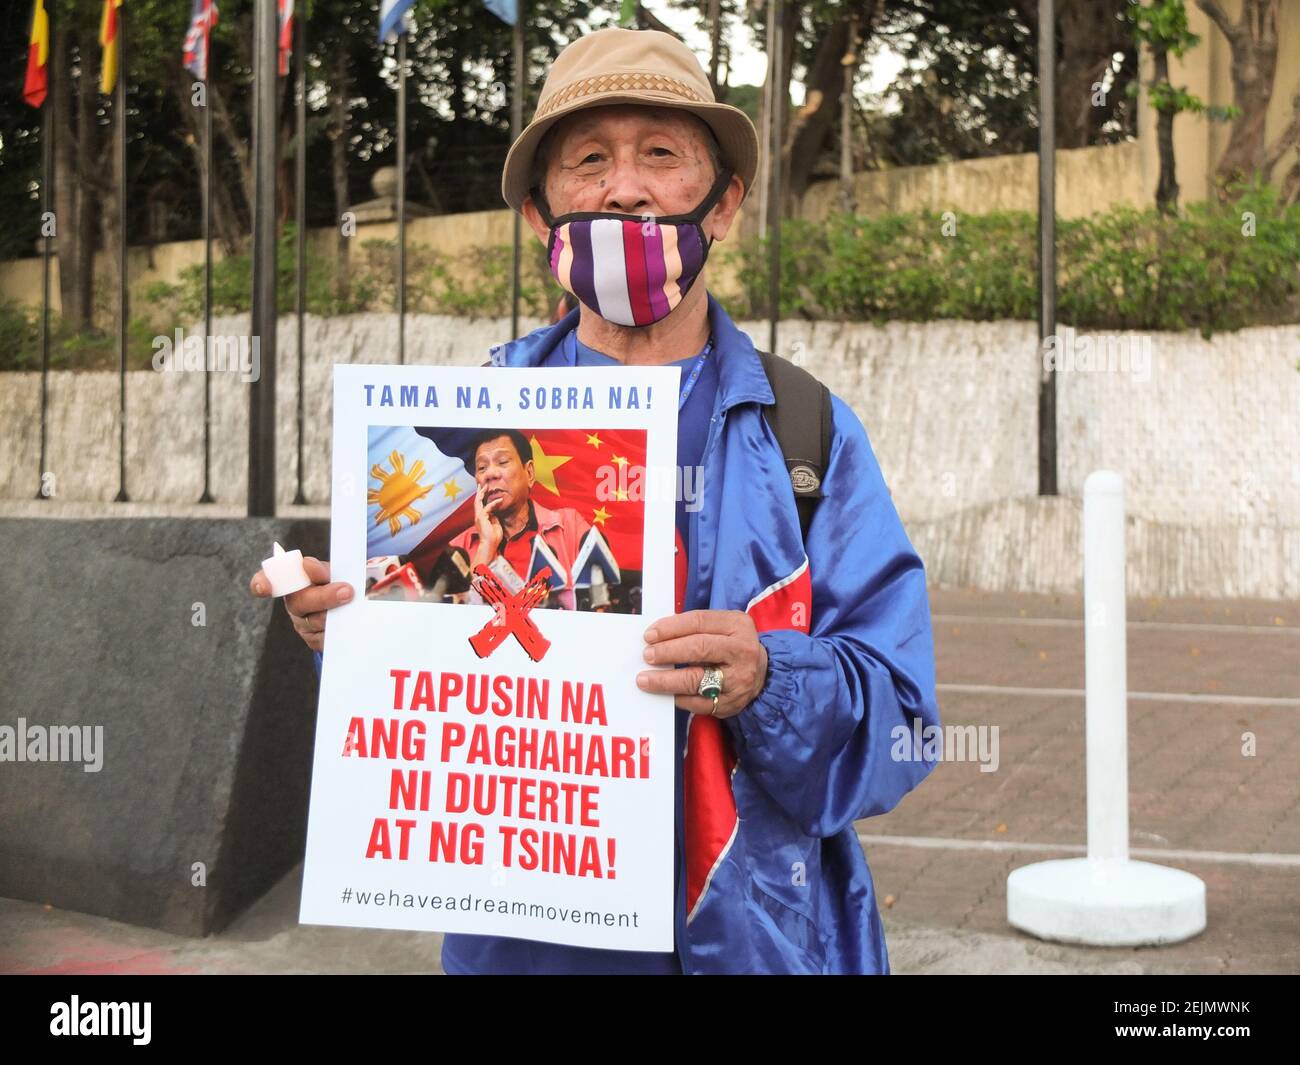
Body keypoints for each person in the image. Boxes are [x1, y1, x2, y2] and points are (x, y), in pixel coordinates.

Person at [251, 26, 941, 975]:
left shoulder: (809, 437)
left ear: (726, 202)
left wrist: (772, 681)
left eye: (661, 153)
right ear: (540, 214)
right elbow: (429, 719)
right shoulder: (463, 432)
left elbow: (903, 717)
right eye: (588, 162)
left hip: (758, 941)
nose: (624, 188)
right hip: (525, 947)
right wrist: (357, 635)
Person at [451, 428, 594, 611]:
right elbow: (457, 620)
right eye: (482, 468)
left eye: (502, 462)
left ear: (530, 473)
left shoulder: (569, 525)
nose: (490, 474)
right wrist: (486, 546)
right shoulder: (458, 547)